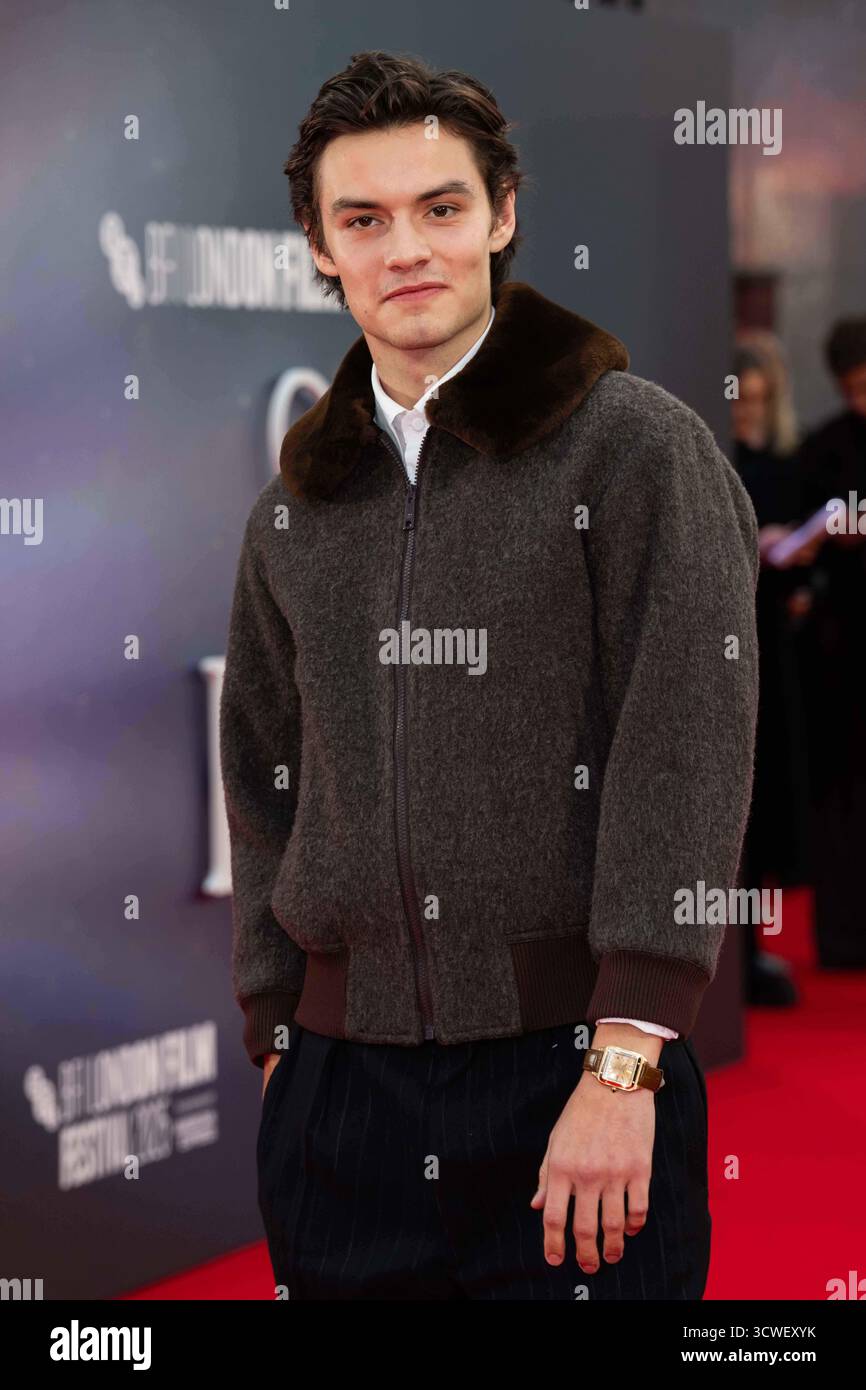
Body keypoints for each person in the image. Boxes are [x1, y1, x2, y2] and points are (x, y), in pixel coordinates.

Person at [219, 50, 759, 1301]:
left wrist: (623, 1054)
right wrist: (277, 1038)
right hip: (339, 1104)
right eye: (363, 219)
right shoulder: (293, 506)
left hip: (574, 1076)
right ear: (318, 245)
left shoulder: (634, 449)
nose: (403, 247)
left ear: (500, 217)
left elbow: (682, 742)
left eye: (439, 208)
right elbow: (261, 779)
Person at [730, 335, 815, 1007]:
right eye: (741, 399)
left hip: (777, 647)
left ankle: (756, 949)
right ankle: (734, 956)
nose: (749, 412)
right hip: (730, 642)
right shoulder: (717, 462)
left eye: (760, 400)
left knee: (770, 800)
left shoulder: (786, 462)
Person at [793, 317, 866, 969]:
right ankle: (844, 937)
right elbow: (795, 537)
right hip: (842, 645)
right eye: (853, 389)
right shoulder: (825, 447)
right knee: (841, 791)